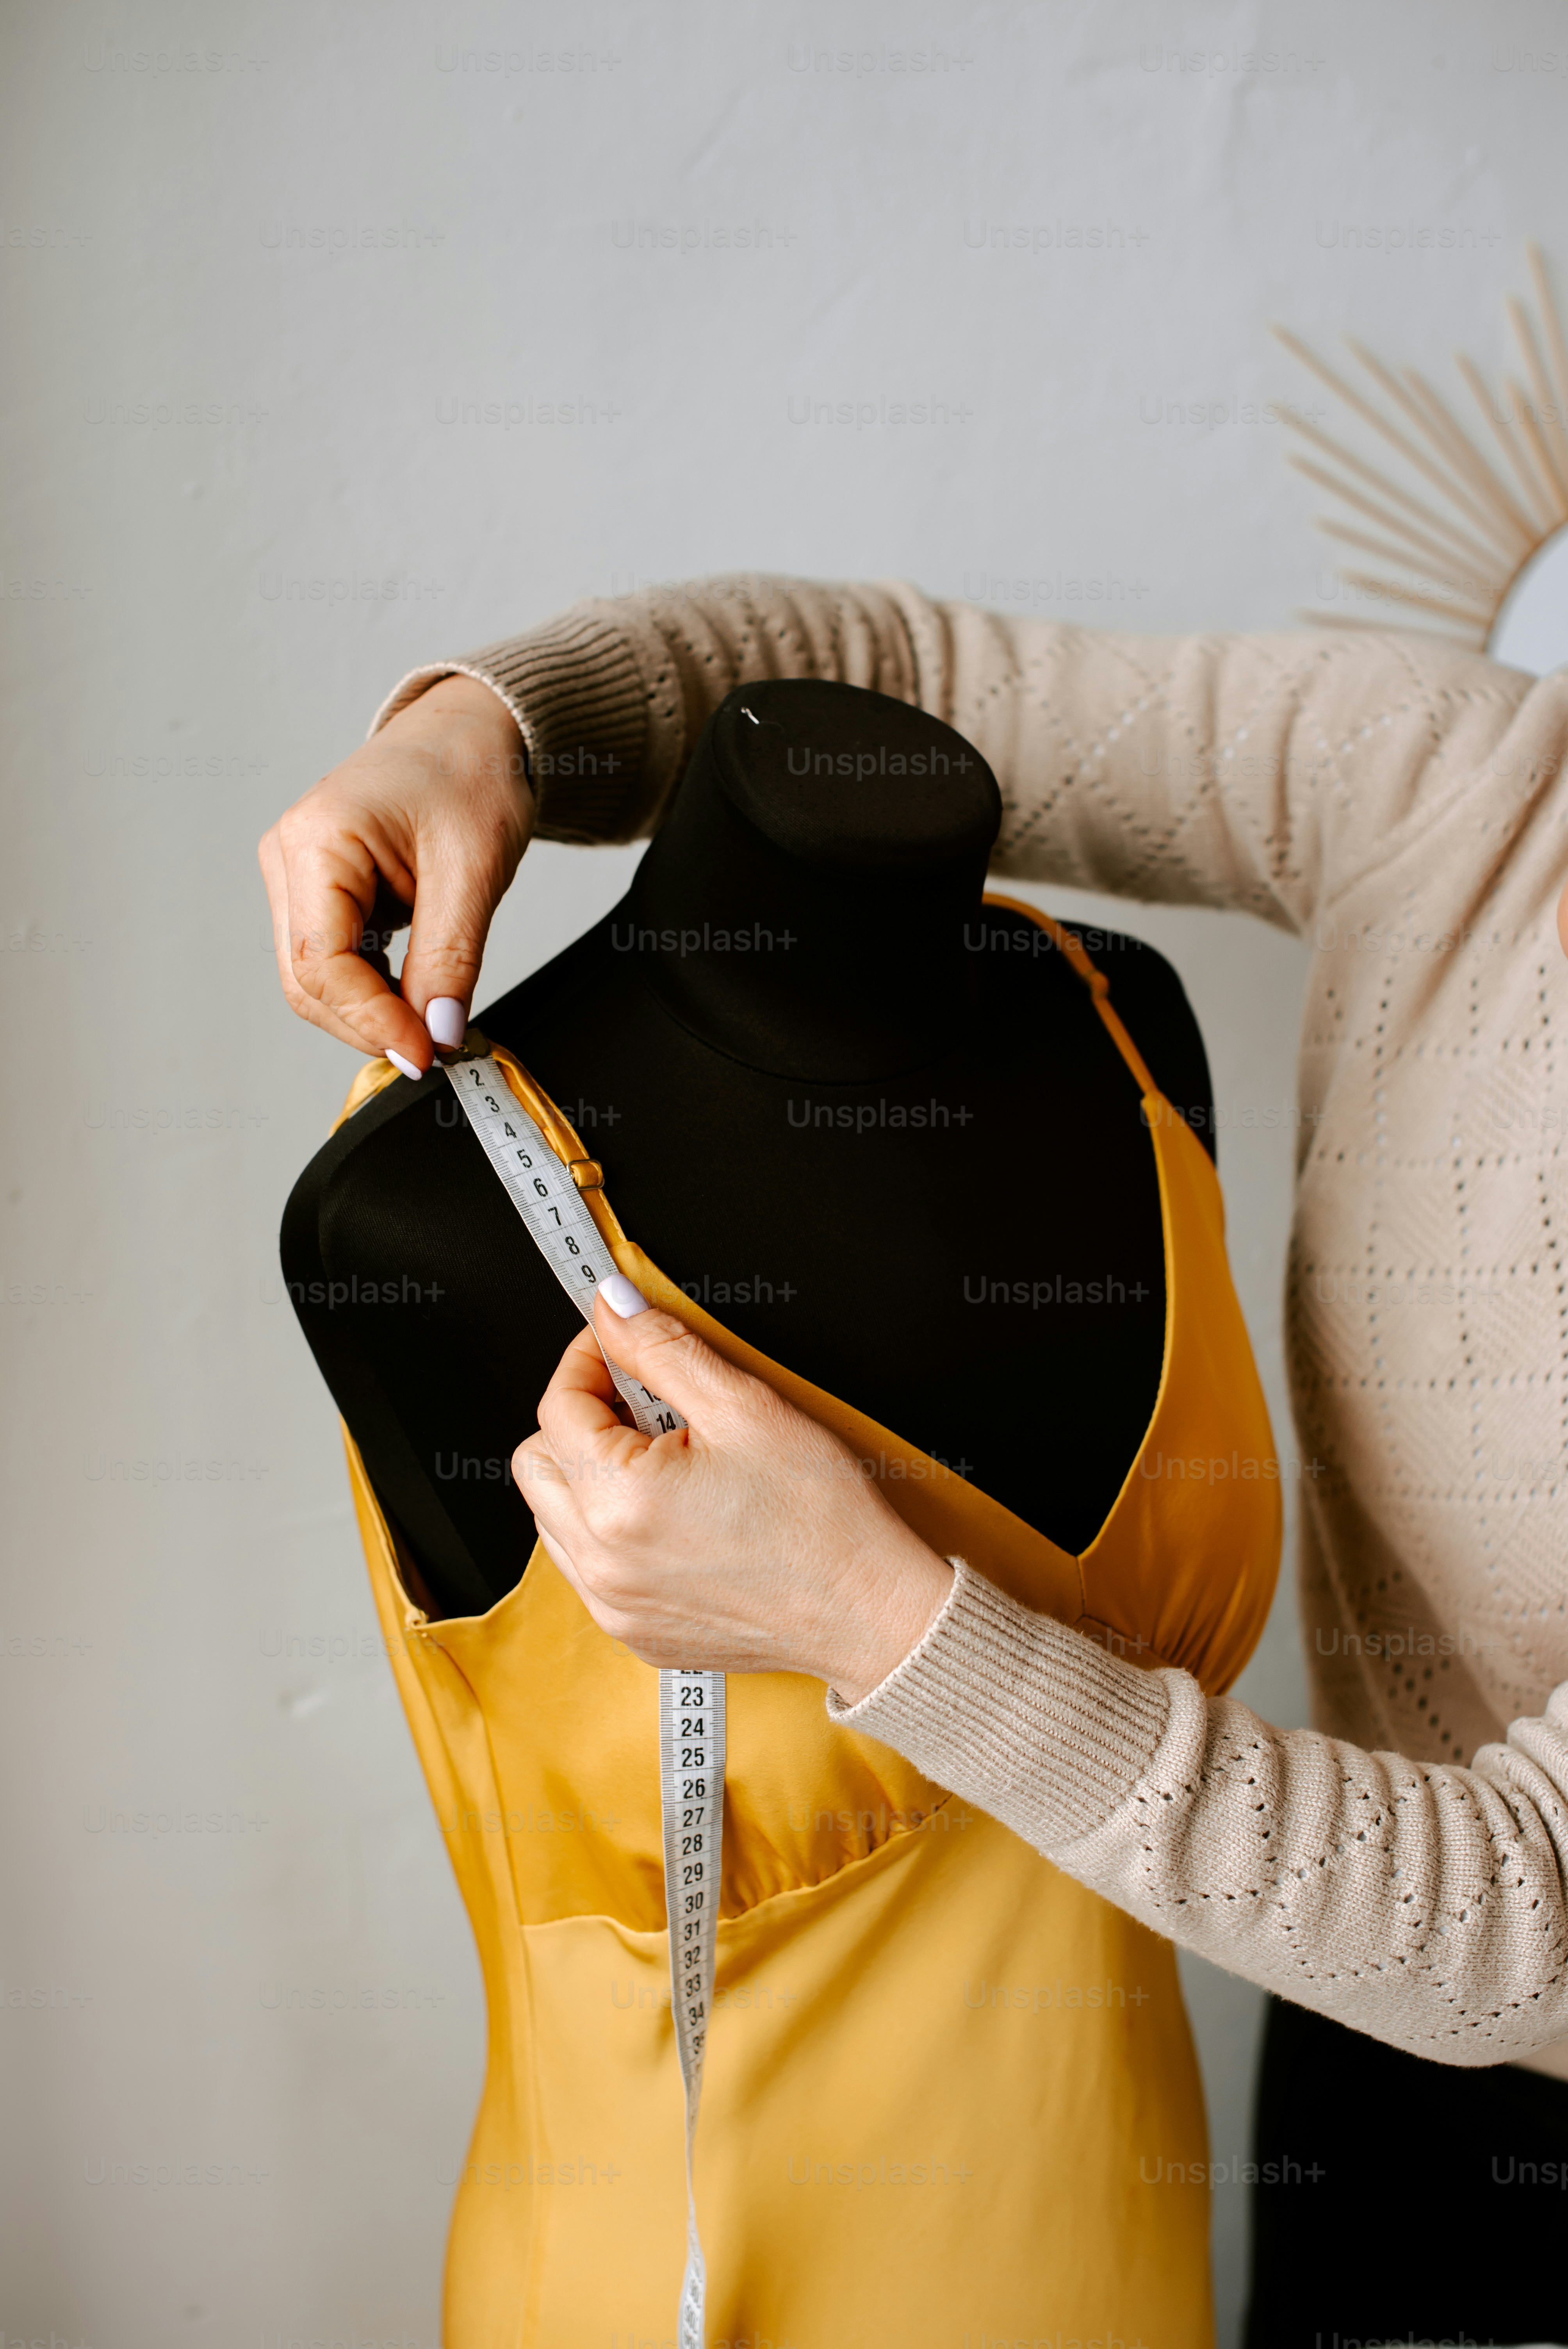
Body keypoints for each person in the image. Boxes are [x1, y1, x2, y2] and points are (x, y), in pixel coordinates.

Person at [262, 576, 1568, 2344]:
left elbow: (1526, 1912)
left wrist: (874, 1617)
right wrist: (484, 722)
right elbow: (904, 680)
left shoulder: (1125, 1034)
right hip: (721, 2278)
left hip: (1220, 2167)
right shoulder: (1483, 791)